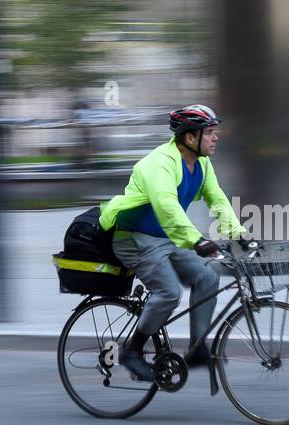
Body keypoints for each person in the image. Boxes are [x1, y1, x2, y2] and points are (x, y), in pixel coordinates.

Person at [99, 104, 252, 381]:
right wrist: (197, 241)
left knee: (207, 275)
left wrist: (239, 233)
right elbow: (167, 207)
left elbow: (216, 198)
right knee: (169, 293)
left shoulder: (202, 163)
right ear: (190, 138)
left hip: (165, 238)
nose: (216, 137)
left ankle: (196, 349)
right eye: (209, 133)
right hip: (134, 237)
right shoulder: (160, 163)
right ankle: (131, 351)